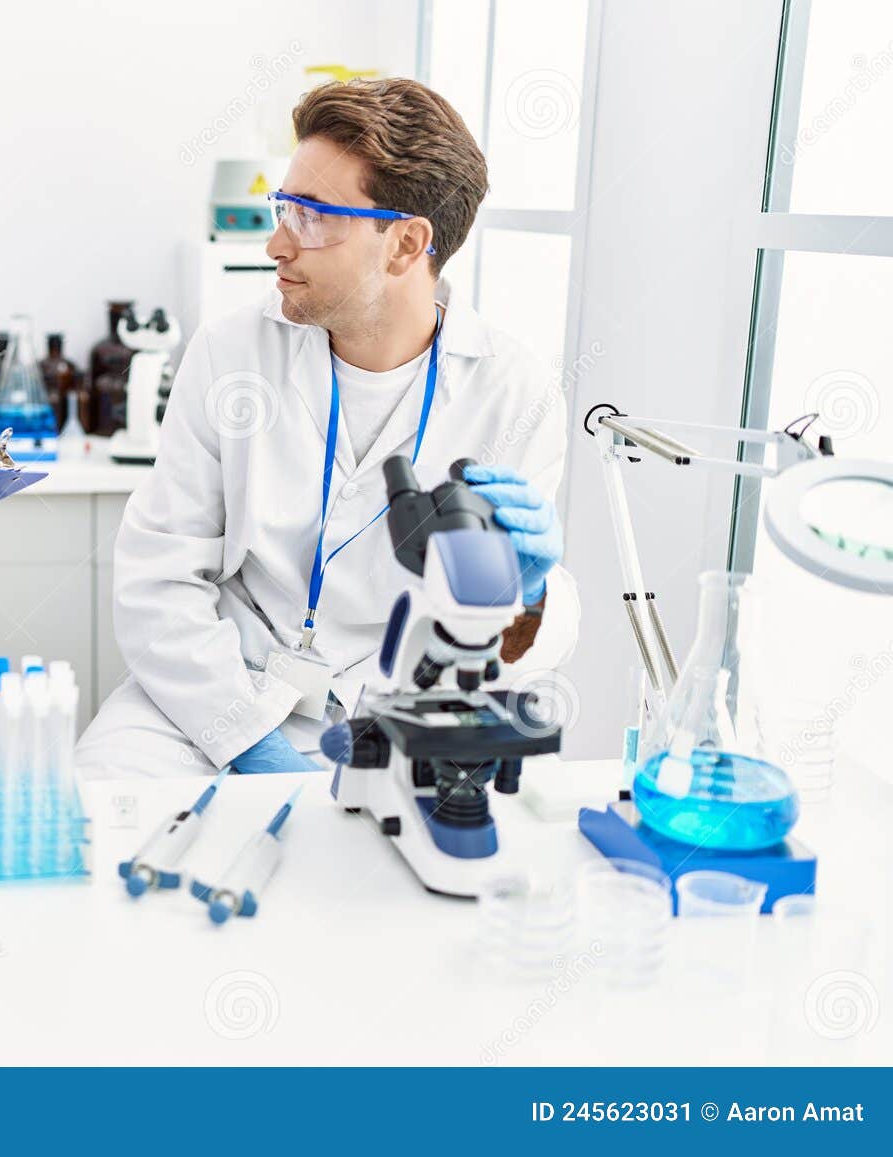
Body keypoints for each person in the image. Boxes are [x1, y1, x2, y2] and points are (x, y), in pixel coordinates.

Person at [77, 78, 577, 778]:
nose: (276, 243)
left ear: (405, 243)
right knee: (105, 822)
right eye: (284, 208)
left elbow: (504, 642)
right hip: (207, 697)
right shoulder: (230, 353)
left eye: (310, 217)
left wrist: (529, 592)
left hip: (395, 711)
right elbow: (157, 578)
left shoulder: (513, 392)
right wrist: (252, 741)